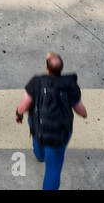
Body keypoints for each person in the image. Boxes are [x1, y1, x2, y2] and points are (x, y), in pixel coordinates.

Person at [15, 52, 88, 191]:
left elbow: (24, 104)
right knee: (53, 170)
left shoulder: (36, 82)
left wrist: (18, 114)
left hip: (39, 126)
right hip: (59, 134)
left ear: (47, 68)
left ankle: (40, 155)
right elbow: (80, 110)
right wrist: (84, 114)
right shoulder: (70, 84)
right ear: (62, 68)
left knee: (36, 133)